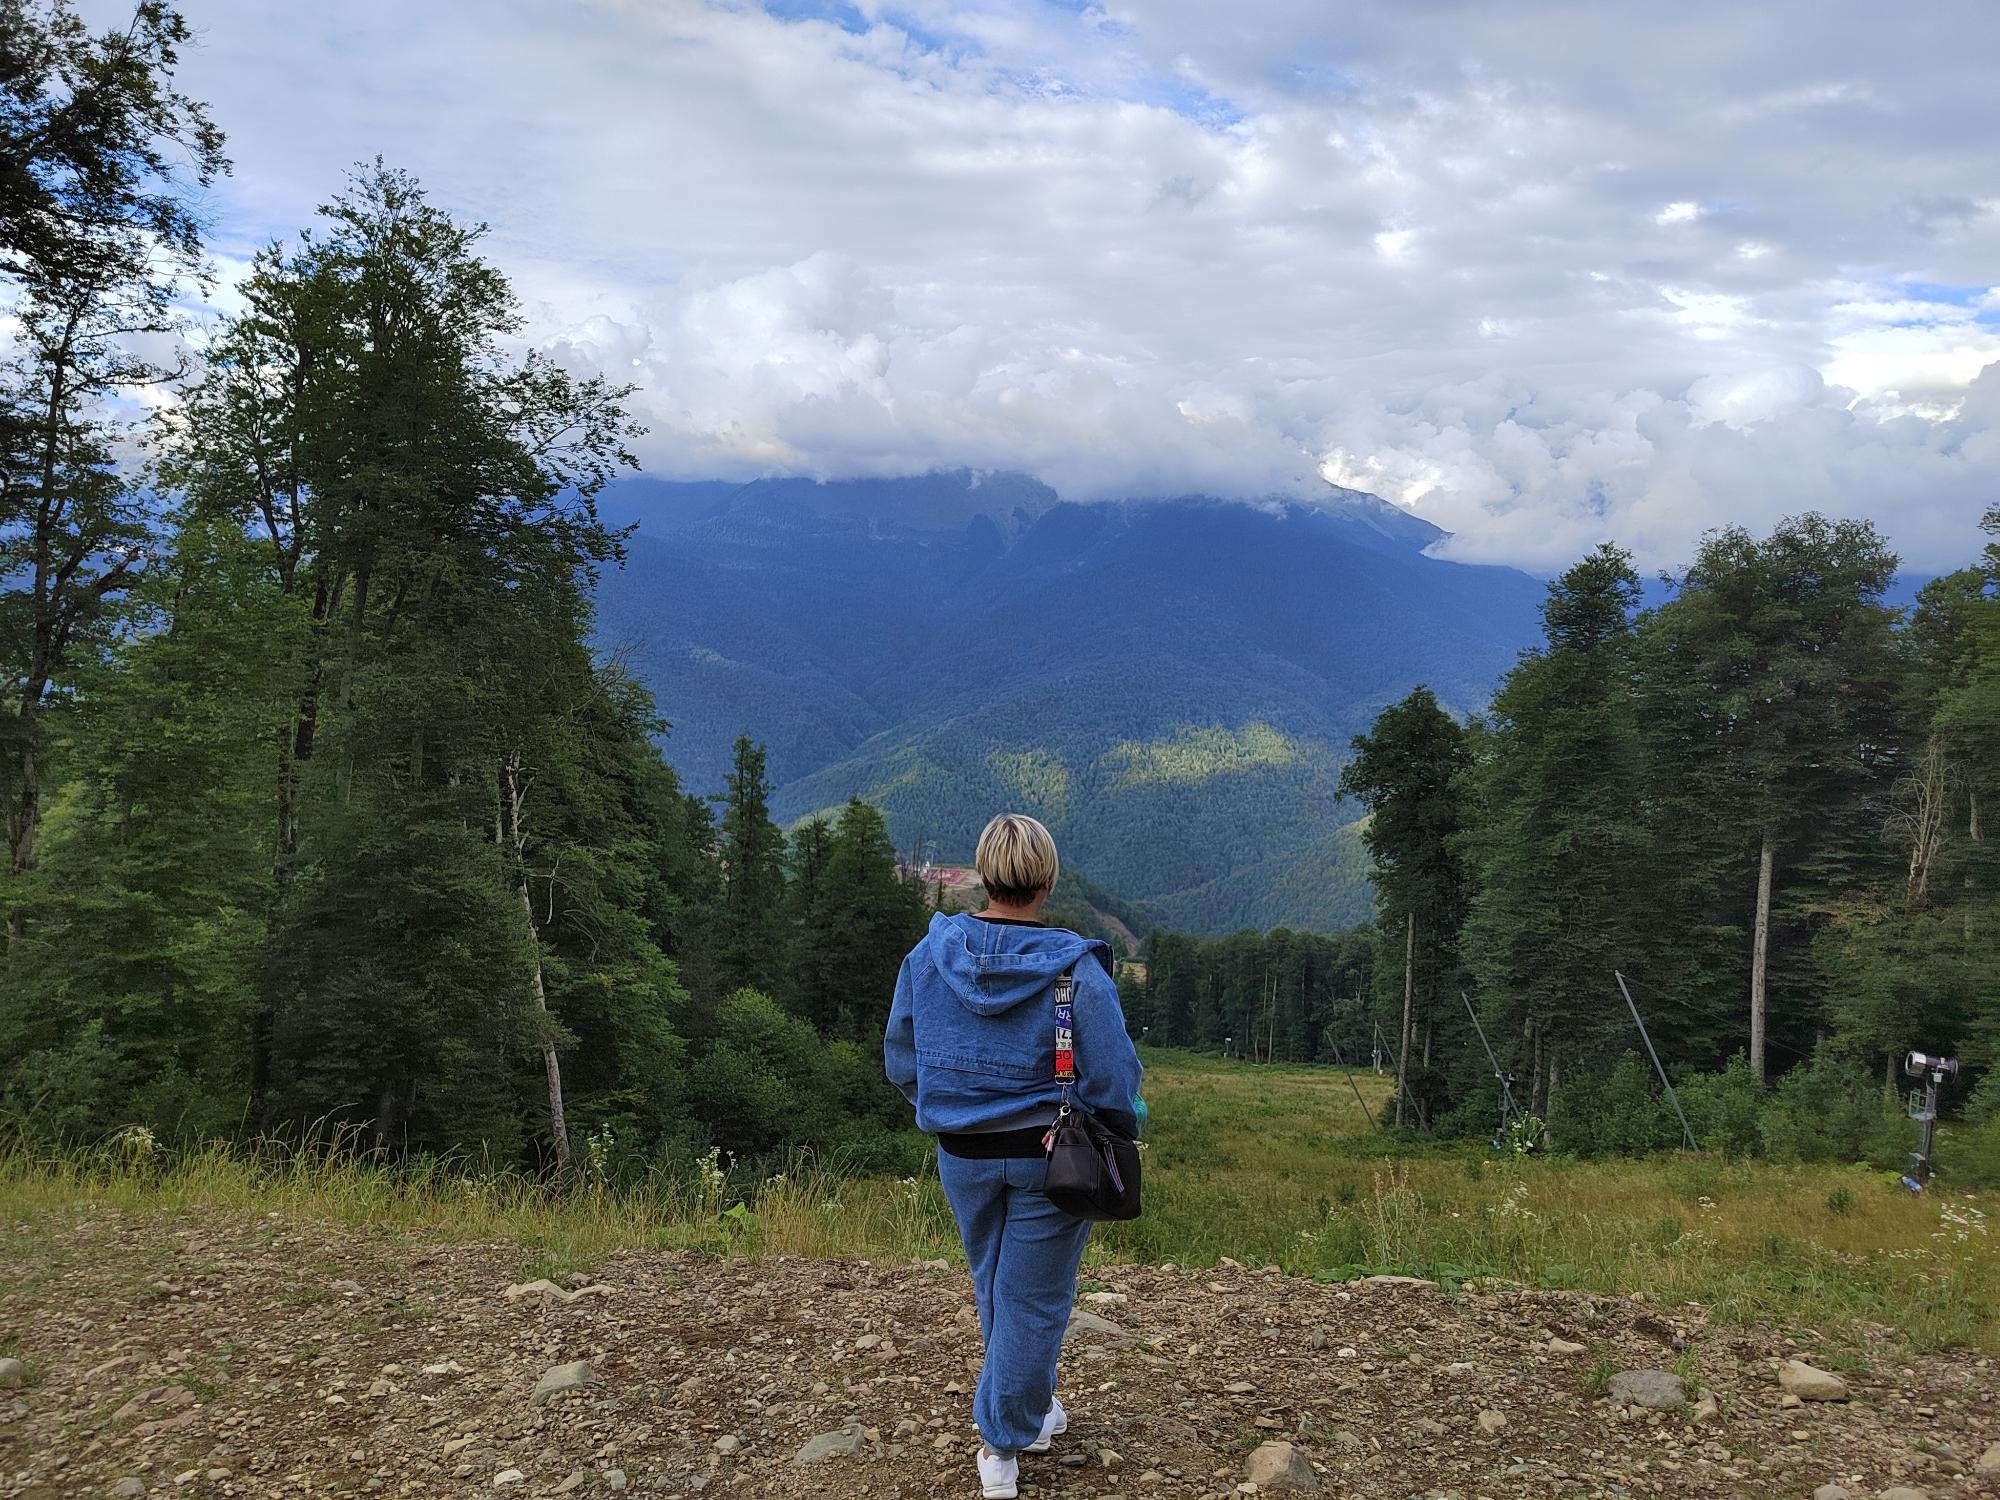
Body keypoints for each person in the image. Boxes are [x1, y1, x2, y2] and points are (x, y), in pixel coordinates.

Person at [883, 813, 1145, 1500]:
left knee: (997, 1283)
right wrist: (1114, 1126)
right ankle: (1003, 1443)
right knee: (1033, 1299)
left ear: (982, 874)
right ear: (1048, 881)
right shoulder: (1076, 971)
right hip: (1049, 1159)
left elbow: (901, 1060)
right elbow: (1114, 1076)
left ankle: (1035, 1405)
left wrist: (946, 1108)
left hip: (960, 1155)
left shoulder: (927, 957)